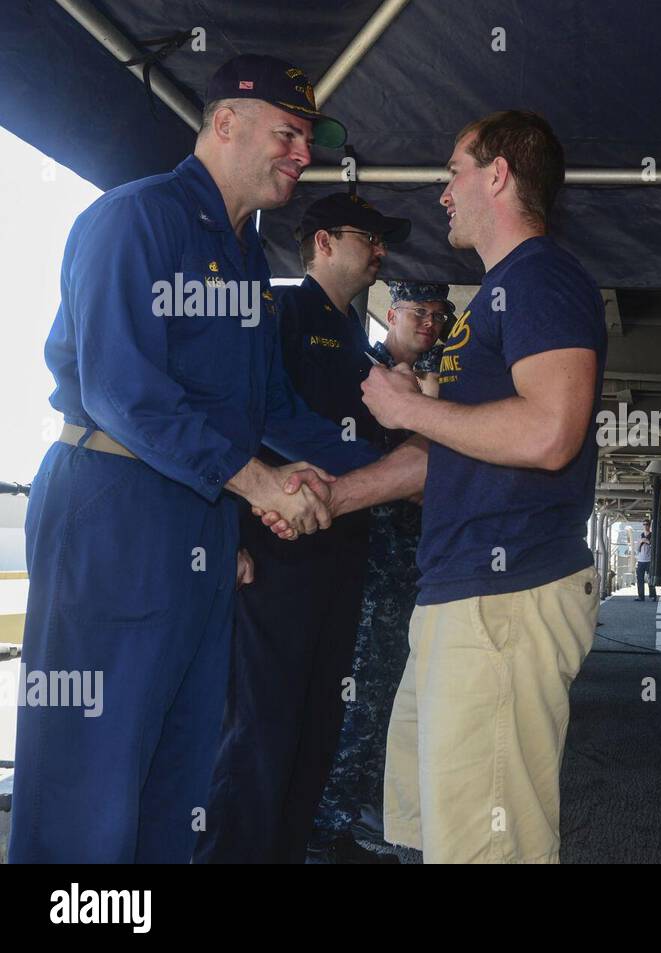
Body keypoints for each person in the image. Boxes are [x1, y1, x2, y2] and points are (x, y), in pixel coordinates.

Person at [10, 54, 377, 864]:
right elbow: (120, 390)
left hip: (200, 523)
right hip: (114, 508)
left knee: (180, 775)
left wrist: (396, 457)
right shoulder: (132, 219)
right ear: (224, 123)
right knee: (91, 774)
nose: (302, 154)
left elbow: (272, 409)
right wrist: (256, 480)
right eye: (288, 133)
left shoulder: (251, 260)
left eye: (307, 139)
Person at [264, 109, 607, 863]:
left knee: (490, 845)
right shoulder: (495, 296)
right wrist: (332, 496)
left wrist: (410, 405)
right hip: (459, 595)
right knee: (440, 833)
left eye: (453, 172)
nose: (443, 192)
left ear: (498, 174)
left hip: (505, 597)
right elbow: (442, 453)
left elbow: (551, 431)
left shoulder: (542, 278)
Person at [196, 192, 410, 865]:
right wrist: (228, 536)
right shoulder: (280, 313)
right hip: (276, 549)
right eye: (366, 237)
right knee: (263, 724)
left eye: (382, 240)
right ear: (320, 242)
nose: (379, 251)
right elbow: (241, 423)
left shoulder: (357, 337)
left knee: (319, 721)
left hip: (343, 549)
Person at [310, 280, 455, 864]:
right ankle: (324, 833)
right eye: (419, 312)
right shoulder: (363, 374)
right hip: (365, 563)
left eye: (439, 316)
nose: (430, 323)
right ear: (390, 314)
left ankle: (358, 810)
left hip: (410, 569)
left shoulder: (431, 385)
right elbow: (345, 454)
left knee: (394, 696)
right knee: (360, 696)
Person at [635, 519, 655, 600]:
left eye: (647, 524)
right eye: (644, 524)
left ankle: (653, 595)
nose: (645, 526)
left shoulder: (652, 536)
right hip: (640, 560)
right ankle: (641, 596)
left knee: (650, 578)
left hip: (649, 560)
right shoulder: (640, 536)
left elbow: (654, 548)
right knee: (640, 579)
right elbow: (637, 549)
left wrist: (648, 542)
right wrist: (640, 542)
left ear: (649, 526)